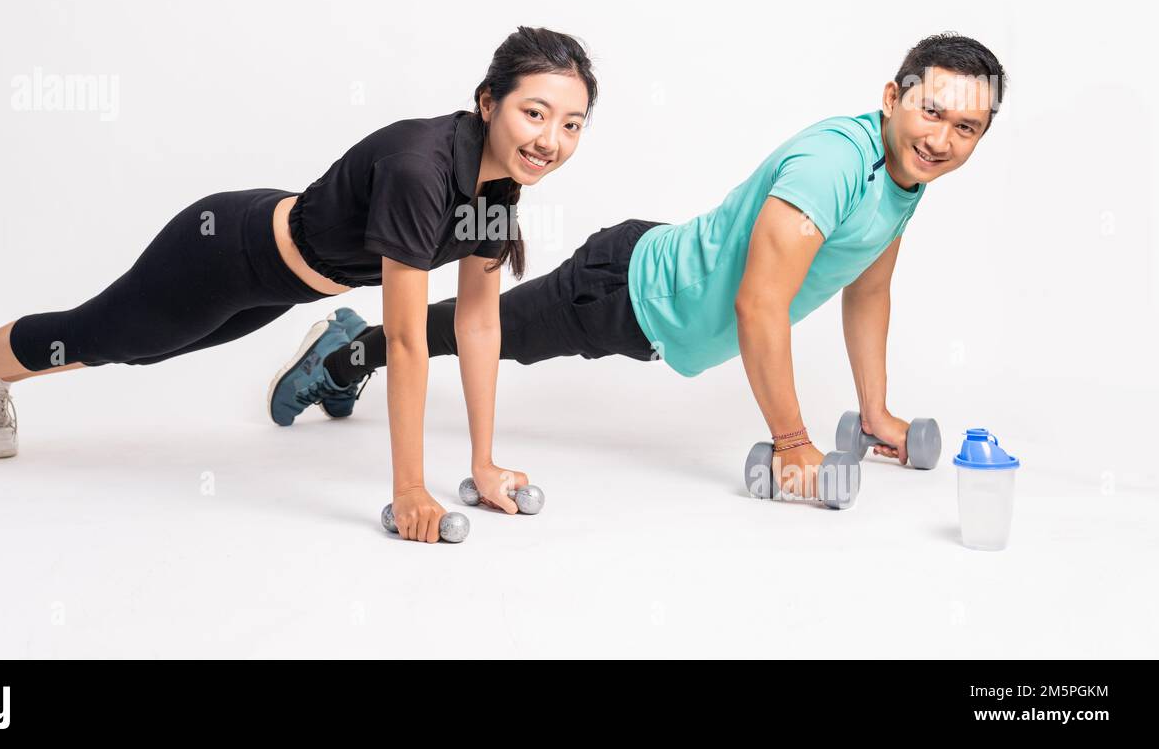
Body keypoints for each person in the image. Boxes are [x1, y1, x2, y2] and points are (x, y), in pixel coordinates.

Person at [0, 26, 597, 542]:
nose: (550, 141)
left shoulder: (497, 190)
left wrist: (482, 464)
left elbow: (477, 324)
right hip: (225, 253)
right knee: (98, 334)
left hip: (275, 285)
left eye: (571, 124)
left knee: (132, 349)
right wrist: (409, 489)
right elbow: (407, 342)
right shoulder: (422, 170)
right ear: (487, 101)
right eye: (534, 113)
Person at [274, 33, 1006, 503]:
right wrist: (792, 446)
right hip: (621, 292)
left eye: (965, 127)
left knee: (487, 327)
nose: (942, 139)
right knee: (487, 330)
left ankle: (349, 342)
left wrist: (874, 414)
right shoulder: (833, 165)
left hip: (656, 280)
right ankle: (345, 350)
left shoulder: (903, 177)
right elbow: (759, 306)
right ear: (892, 99)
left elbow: (869, 284)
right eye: (932, 112)